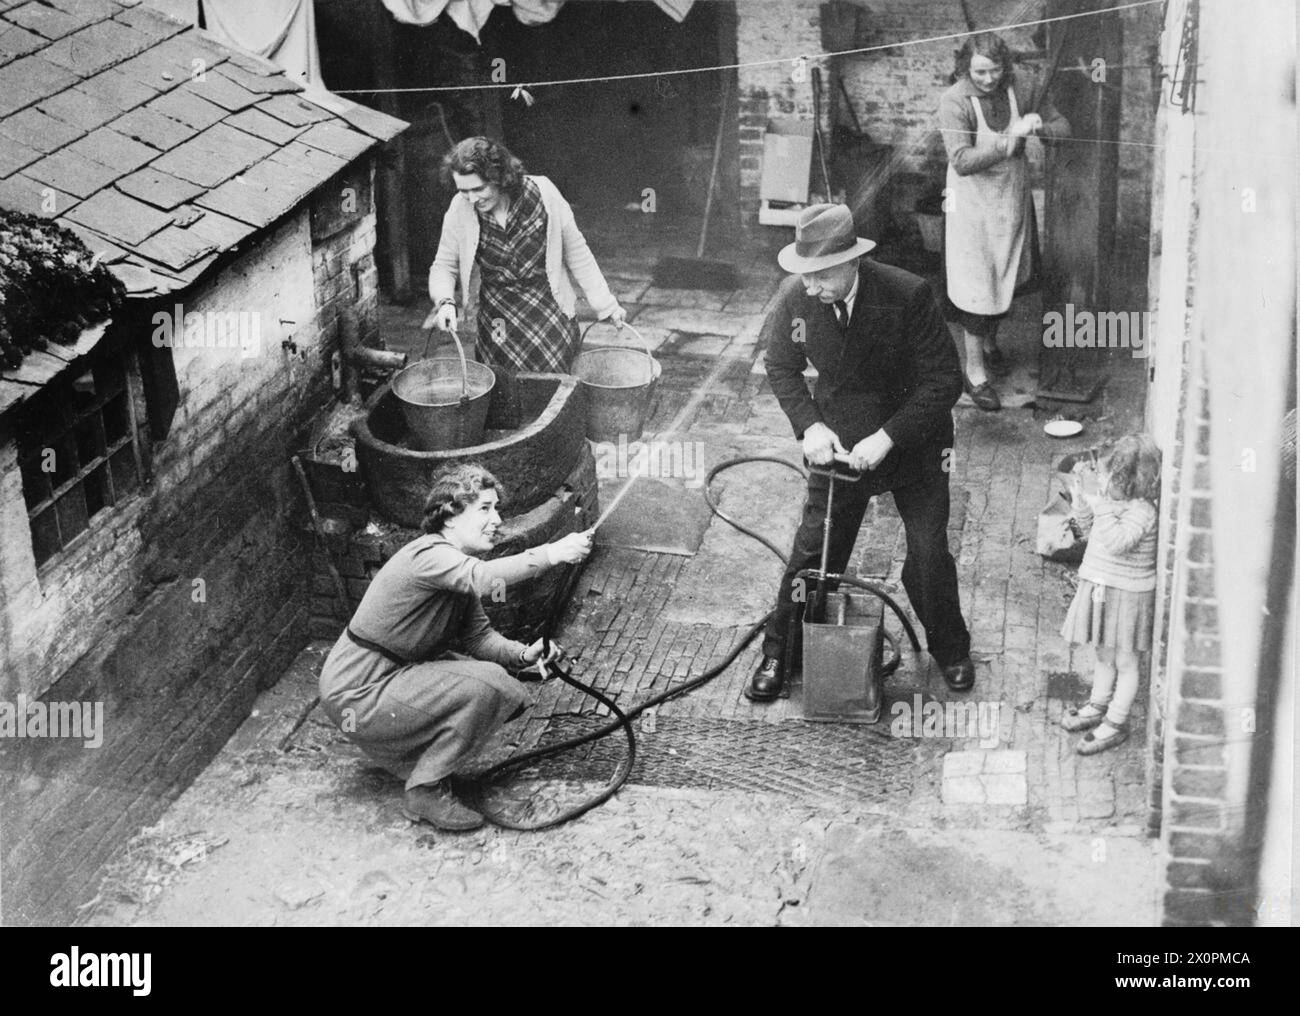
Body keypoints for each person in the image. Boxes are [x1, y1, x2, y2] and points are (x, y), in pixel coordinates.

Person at [749, 203, 975, 702]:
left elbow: (944, 381)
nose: (810, 287)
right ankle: (779, 652)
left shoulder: (906, 294)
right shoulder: (797, 297)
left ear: (852, 261)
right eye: (803, 276)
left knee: (928, 552)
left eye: (821, 275)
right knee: (813, 554)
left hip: (914, 444)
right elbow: (780, 365)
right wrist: (810, 427)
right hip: (841, 445)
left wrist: (889, 436)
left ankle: (951, 647)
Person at [318, 463, 593, 831]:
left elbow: (480, 638)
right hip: (358, 689)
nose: (496, 519)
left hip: (384, 680)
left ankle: (426, 765)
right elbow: (483, 579)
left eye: (496, 509)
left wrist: (525, 655)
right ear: (449, 516)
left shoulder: (454, 568)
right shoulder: (430, 555)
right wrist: (551, 553)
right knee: (488, 686)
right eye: (484, 509)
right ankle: (424, 789)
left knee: (495, 681)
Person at [427, 137, 627, 421]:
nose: (471, 198)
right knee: (502, 404)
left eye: (479, 188)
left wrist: (606, 305)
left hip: (548, 312)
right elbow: (443, 265)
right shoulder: (460, 208)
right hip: (497, 319)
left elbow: (577, 252)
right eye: (464, 191)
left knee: (554, 403)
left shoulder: (543, 193)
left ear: (499, 176)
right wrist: (446, 301)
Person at [937, 32, 1070, 411]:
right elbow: (961, 161)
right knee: (976, 285)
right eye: (980, 71)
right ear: (966, 67)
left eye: (995, 70)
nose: (989, 79)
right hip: (971, 207)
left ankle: (992, 343)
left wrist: (1036, 125)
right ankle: (975, 372)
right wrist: (1007, 141)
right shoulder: (955, 100)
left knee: (1009, 277)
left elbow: (1064, 128)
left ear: (1005, 67)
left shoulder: (1021, 87)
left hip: (1010, 200)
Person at [1058, 434, 1161, 755]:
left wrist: (1100, 506)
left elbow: (1117, 542)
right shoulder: (1112, 501)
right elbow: (1089, 530)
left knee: (1127, 661)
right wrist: (1081, 500)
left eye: (1112, 478)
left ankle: (1116, 722)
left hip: (1128, 594)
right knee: (1103, 653)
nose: (1104, 483)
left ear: (1133, 483)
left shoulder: (1142, 511)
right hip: (1102, 586)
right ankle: (1098, 704)